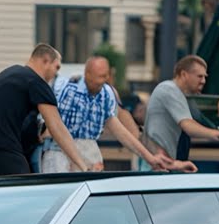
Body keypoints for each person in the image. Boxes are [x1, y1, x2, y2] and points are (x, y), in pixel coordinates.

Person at [0, 44, 99, 176]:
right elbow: (57, 126)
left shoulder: (10, 74)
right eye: (56, 67)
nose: (56, 74)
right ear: (45, 61)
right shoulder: (36, 82)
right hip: (2, 149)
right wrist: (82, 166)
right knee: (25, 189)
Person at [47, 56, 193, 173]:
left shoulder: (106, 94)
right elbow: (56, 129)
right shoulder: (68, 91)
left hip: (87, 152)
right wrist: (81, 164)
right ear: (87, 74)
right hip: (61, 152)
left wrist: (151, 158)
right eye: (99, 77)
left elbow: (123, 131)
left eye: (105, 76)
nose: (102, 82)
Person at [141, 56, 219, 171]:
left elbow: (201, 121)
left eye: (205, 77)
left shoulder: (186, 97)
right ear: (184, 74)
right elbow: (188, 125)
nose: (203, 81)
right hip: (156, 166)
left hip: (169, 165)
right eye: (199, 76)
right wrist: (218, 134)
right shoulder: (168, 89)